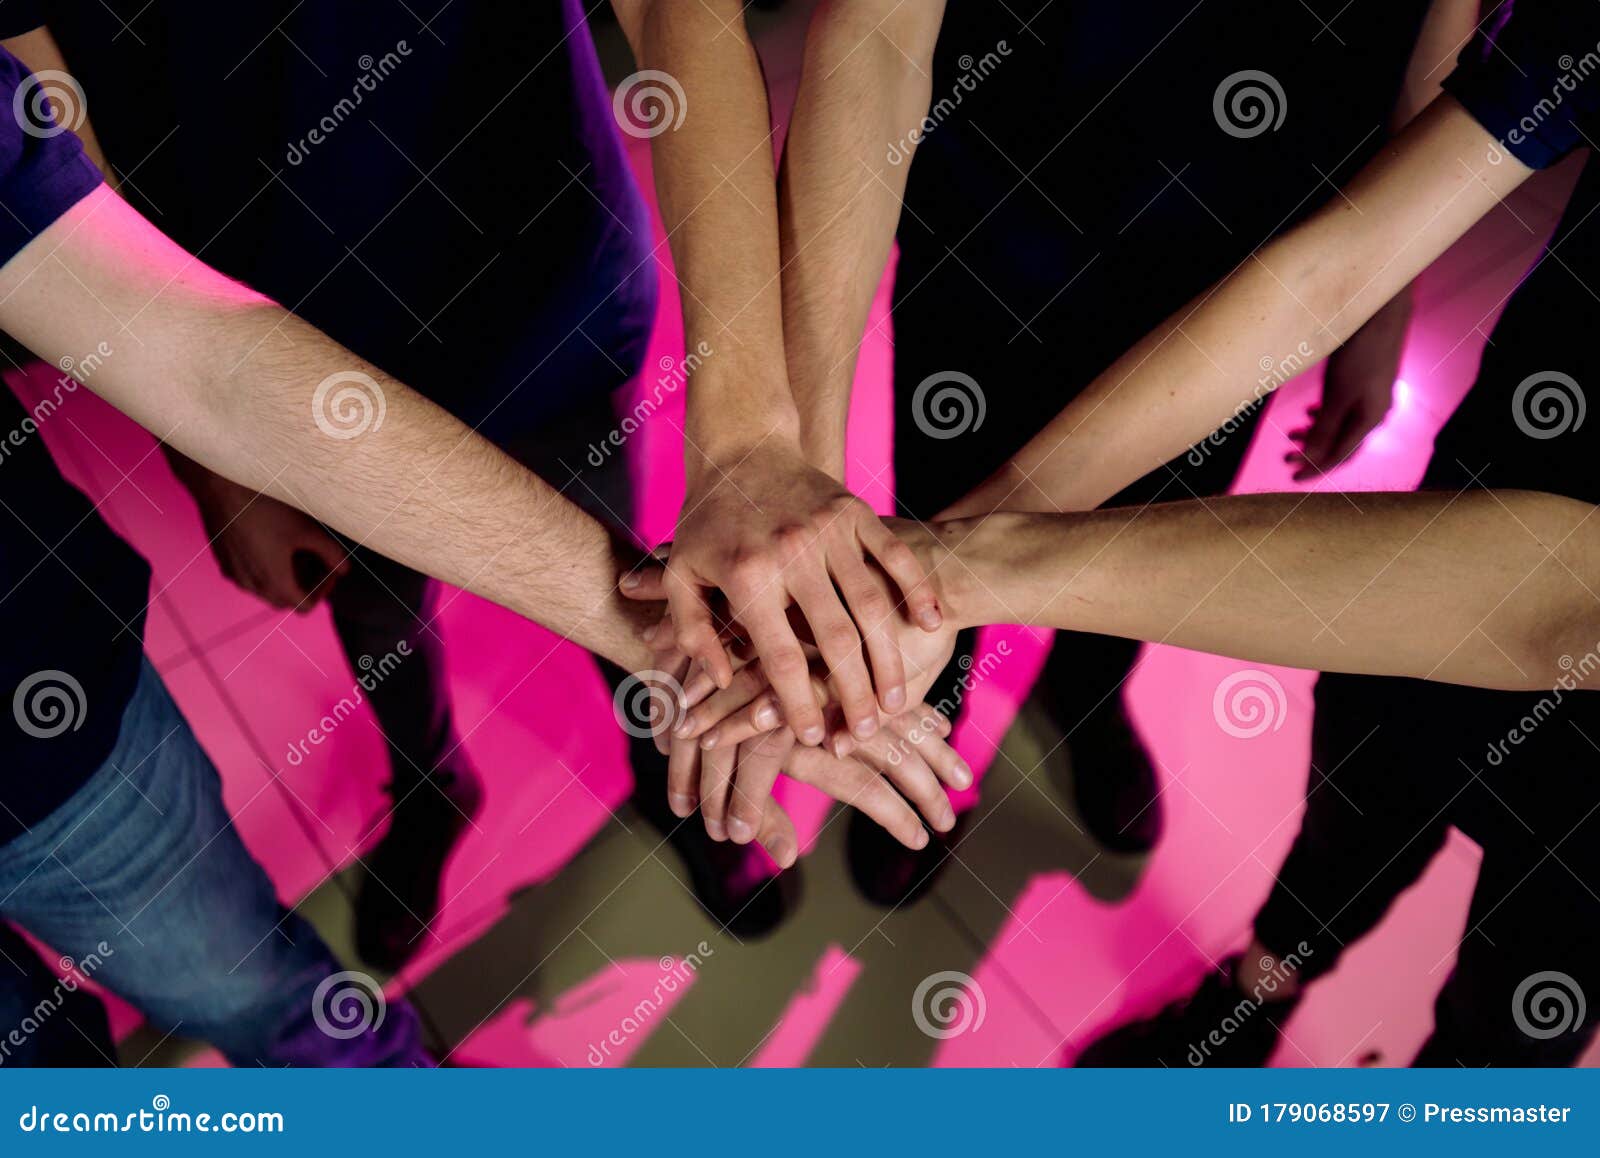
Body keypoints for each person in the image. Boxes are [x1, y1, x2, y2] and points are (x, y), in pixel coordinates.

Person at [0, 40, 962, 1063]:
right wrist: (221, 470)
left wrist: (745, 462)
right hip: (255, 265)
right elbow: (69, 148)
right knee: (375, 616)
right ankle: (429, 788)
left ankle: (670, 767)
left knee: (626, 545)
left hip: (524, 249)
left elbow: (699, 19)